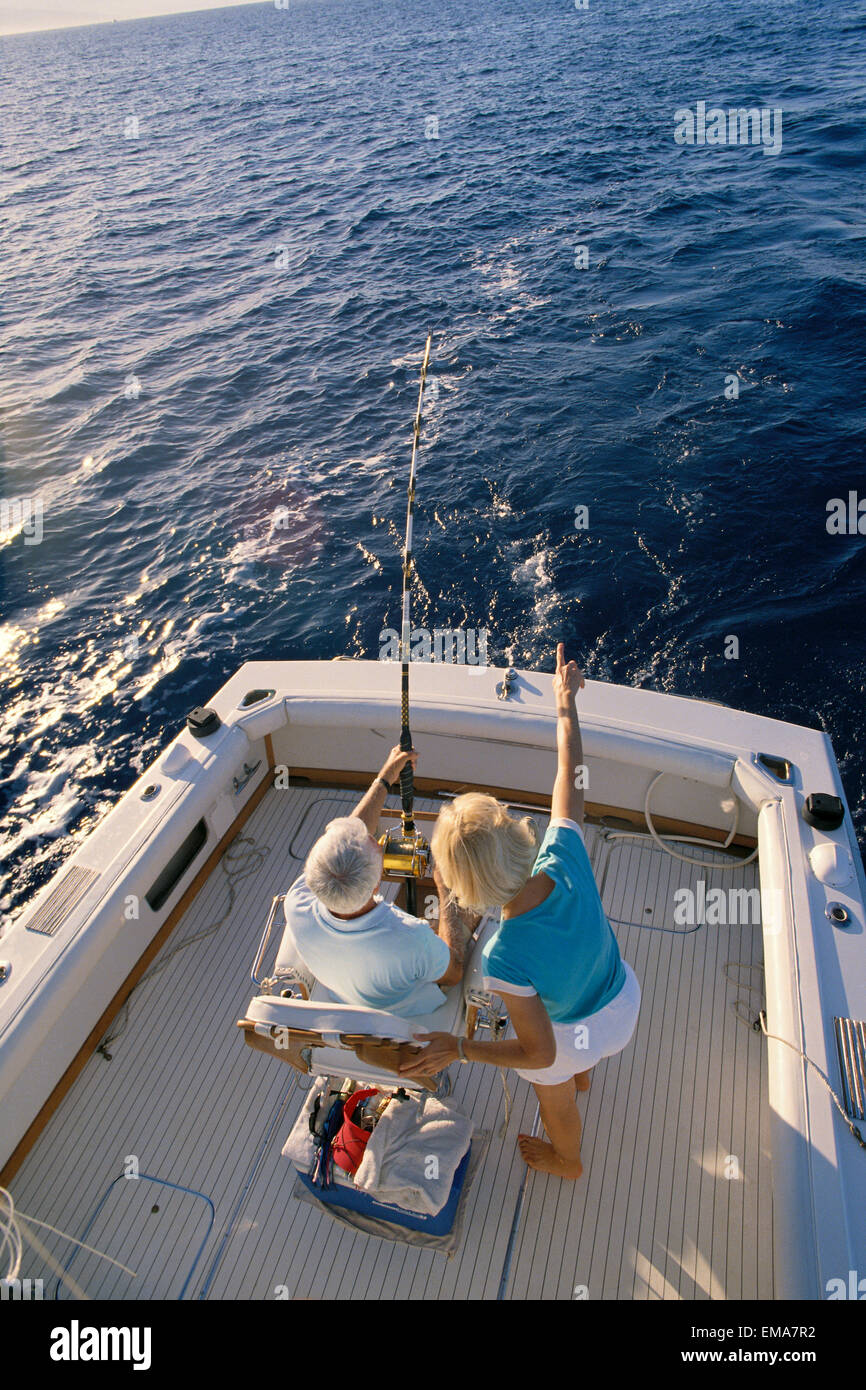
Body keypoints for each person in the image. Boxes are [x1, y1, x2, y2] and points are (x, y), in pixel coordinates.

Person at [399, 643, 641, 1179]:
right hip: (622, 997)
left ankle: (569, 1160)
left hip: (574, 1034)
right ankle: (582, 1072)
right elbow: (569, 768)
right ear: (512, 830)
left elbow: (535, 1053)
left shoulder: (503, 957)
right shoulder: (564, 850)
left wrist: (459, 1048)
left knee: (554, 1099)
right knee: (572, 1057)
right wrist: (565, 702)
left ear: (467, 890)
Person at [281, 745, 478, 1017]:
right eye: (373, 846)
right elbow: (453, 975)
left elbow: (351, 832)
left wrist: (385, 779)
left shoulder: (298, 900)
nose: (372, 836)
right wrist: (444, 889)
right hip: (405, 1012)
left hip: (344, 993)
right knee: (468, 905)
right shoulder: (412, 937)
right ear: (376, 885)